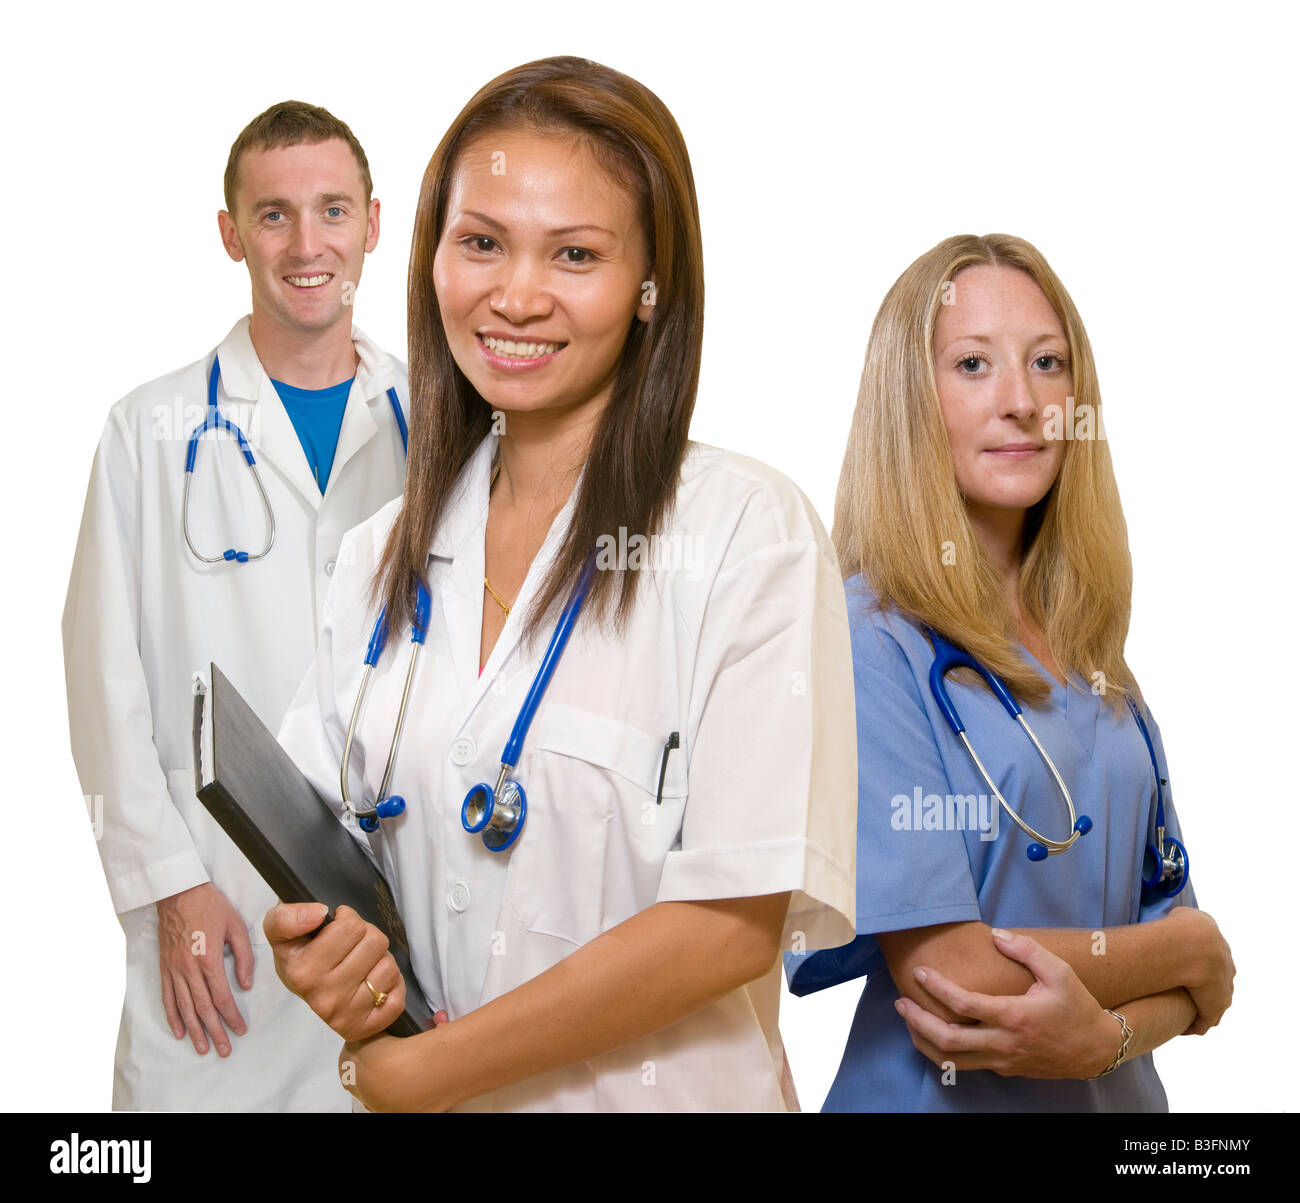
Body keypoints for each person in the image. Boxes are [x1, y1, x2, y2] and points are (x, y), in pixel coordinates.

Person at [264, 55, 857, 1112]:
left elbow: (726, 924)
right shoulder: (374, 562)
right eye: (481, 242)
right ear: (431, 257)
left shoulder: (744, 536)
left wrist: (431, 1071)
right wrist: (314, 951)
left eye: (574, 254)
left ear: (648, 289)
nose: (517, 295)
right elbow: (324, 854)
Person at [786, 233, 1235, 1111]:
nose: (1022, 402)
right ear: (909, 402)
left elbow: (1205, 997)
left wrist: (1102, 1042)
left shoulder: (1097, 660)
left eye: (1047, 362)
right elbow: (957, 975)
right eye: (972, 364)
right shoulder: (864, 641)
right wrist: (1189, 951)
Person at [62, 100, 410, 1111]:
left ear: (374, 224)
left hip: (400, 901)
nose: (308, 245)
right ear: (230, 233)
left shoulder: (437, 418)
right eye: (274, 215)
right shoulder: (149, 430)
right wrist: (168, 883)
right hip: (220, 903)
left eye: (333, 210)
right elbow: (101, 672)